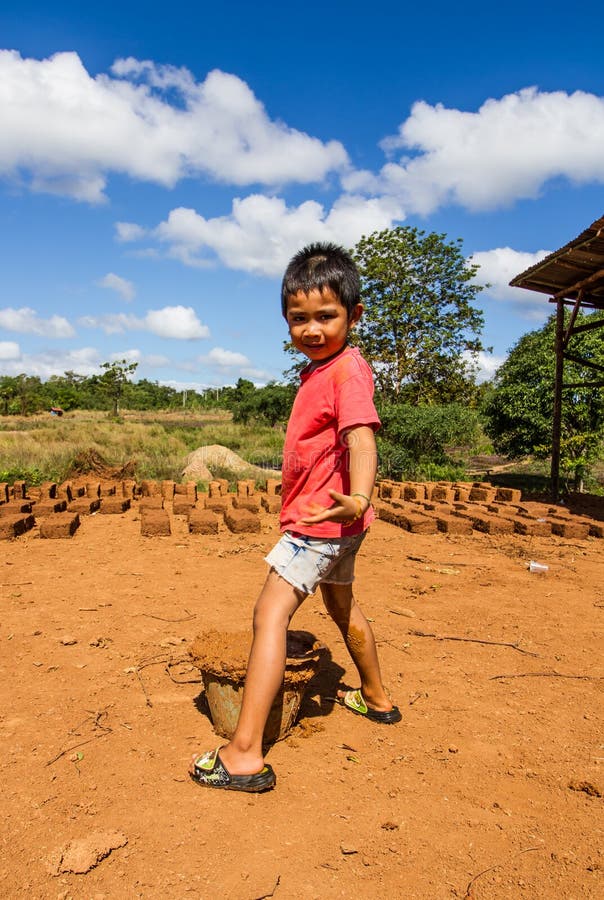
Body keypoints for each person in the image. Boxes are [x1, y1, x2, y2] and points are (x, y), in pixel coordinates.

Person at [190, 242, 401, 792]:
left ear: (354, 315)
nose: (311, 329)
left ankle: (243, 754)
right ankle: (376, 697)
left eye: (325, 316)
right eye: (298, 318)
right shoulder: (322, 369)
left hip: (322, 523)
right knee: (341, 603)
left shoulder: (347, 372)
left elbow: (361, 437)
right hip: (340, 526)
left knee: (269, 617)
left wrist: (359, 494)